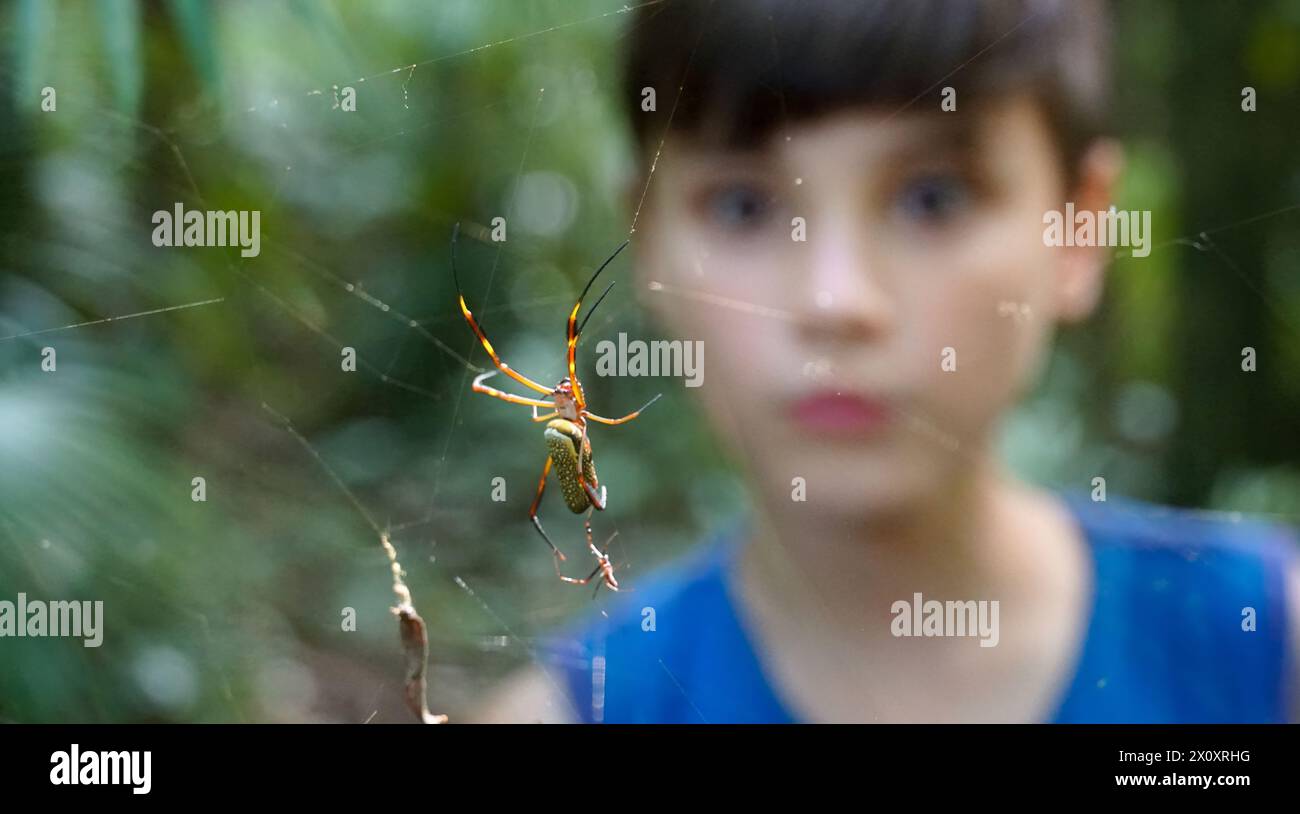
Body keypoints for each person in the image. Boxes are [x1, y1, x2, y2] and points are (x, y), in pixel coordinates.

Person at [475, 0, 1300, 723]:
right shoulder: (568, 712)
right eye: (744, 205)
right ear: (647, 241)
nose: (837, 301)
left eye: (931, 197)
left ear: (1080, 230)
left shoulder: (1269, 643)